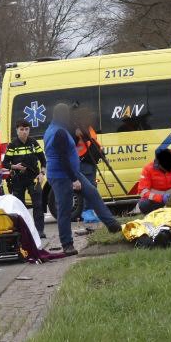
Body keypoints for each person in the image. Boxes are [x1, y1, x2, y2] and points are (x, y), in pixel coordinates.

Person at [45, 103, 121, 255]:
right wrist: (74, 179)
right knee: (65, 210)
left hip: (70, 172)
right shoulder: (59, 132)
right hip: (62, 175)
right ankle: (67, 244)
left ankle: (113, 226)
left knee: (92, 193)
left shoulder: (55, 128)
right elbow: (62, 159)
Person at [3, 119, 46, 237]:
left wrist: (42, 173)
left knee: (38, 204)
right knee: (20, 207)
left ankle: (39, 231)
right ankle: (23, 232)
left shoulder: (33, 143)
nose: (24, 132)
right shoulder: (12, 145)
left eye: (26, 129)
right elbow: (5, 163)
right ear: (17, 130)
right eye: (21, 129)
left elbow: (43, 160)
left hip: (33, 178)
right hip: (18, 180)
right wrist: (15, 166)